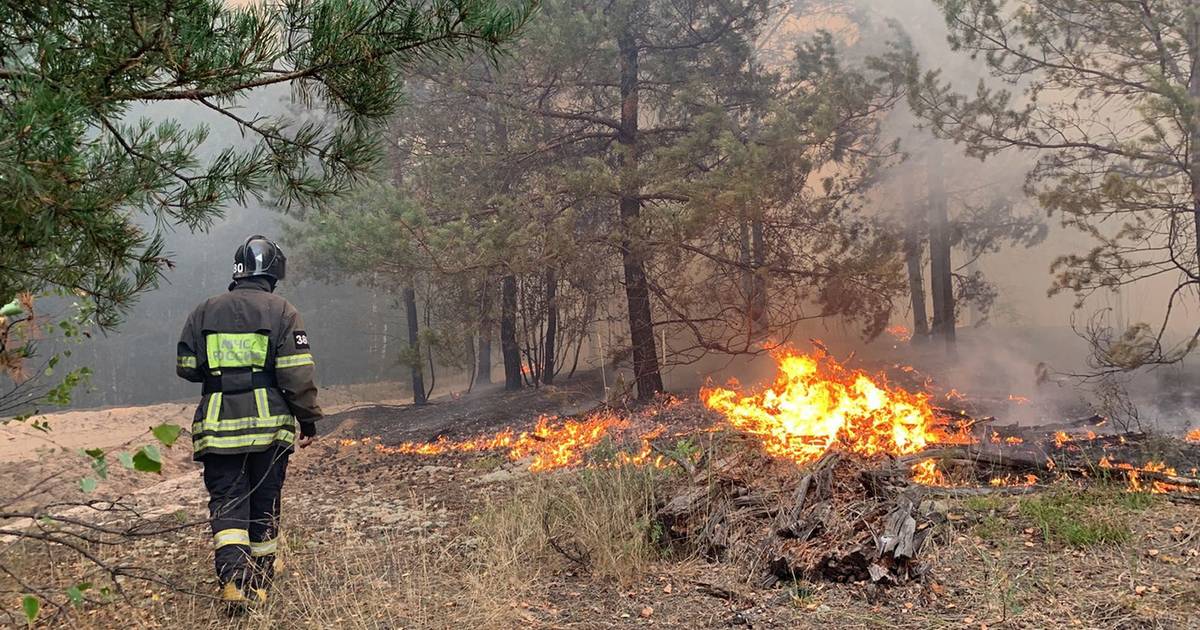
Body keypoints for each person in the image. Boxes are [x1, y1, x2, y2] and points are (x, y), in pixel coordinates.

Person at [175, 235, 322, 605]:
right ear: (273, 274)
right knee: (264, 501)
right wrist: (308, 420)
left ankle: (235, 582)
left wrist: (222, 373)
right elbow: (296, 373)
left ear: (238, 271)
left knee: (227, 502)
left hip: (217, 426)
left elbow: (187, 367)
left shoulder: (204, 311)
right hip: (268, 428)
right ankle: (261, 578)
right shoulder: (282, 311)